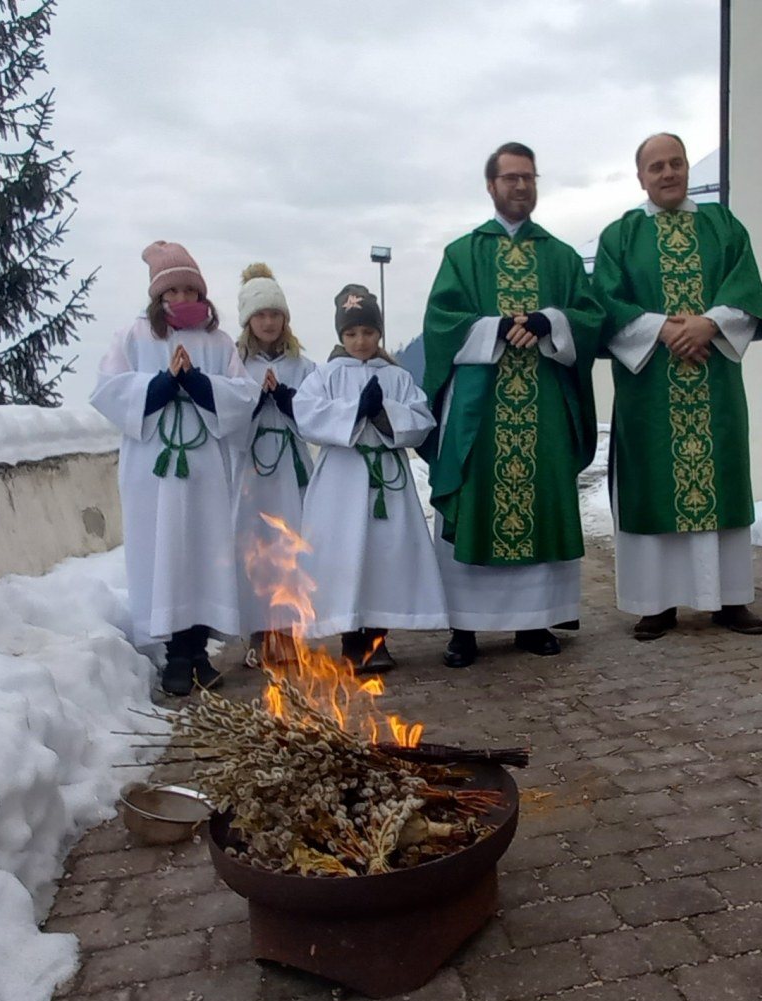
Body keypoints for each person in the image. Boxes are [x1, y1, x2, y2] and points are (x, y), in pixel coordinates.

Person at [422, 141, 603, 668]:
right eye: (510, 178)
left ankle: (534, 620)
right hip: (482, 410)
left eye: (529, 177)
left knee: (540, 499)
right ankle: (465, 630)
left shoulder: (562, 256)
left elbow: (590, 320)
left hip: (543, 408)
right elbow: (440, 323)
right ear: (491, 186)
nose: (521, 186)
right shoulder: (463, 253)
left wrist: (553, 322)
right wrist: (494, 328)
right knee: (477, 500)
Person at [592, 133, 762, 640]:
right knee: (653, 486)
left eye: (676, 163)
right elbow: (604, 304)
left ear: (688, 167)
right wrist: (665, 329)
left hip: (714, 382)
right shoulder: (620, 236)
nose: (668, 173)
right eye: (656, 167)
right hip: (649, 390)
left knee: (723, 479)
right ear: (641, 177)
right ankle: (656, 603)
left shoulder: (722, 225)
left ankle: (731, 598)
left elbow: (746, 287)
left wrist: (710, 324)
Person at [90, 241, 258, 695]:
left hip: (204, 470)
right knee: (164, 555)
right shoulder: (136, 336)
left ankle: (199, 650)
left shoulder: (219, 343)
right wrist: (163, 384)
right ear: (158, 296)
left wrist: (200, 384)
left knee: (204, 554)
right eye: (174, 291)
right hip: (155, 473)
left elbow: (243, 396)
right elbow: (109, 390)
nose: (183, 299)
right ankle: (174, 656)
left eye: (191, 289)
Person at [293, 284, 447, 674]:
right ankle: (351, 638)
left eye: (368, 332)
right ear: (340, 336)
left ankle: (378, 638)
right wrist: (353, 411)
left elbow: (422, 418)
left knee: (384, 556)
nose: (361, 341)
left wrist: (384, 415)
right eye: (351, 333)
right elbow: (308, 415)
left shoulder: (395, 377)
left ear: (378, 332)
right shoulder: (325, 376)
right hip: (342, 484)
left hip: (387, 483)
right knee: (347, 555)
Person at [231, 262, 317, 668]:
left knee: (290, 547)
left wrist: (285, 400)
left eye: (274, 314)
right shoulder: (236, 366)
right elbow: (225, 416)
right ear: (249, 320)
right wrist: (253, 403)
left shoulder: (303, 367)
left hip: (289, 470)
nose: (268, 322)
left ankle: (289, 629)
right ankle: (258, 630)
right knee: (255, 550)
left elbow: (317, 416)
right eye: (260, 315)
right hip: (252, 473)